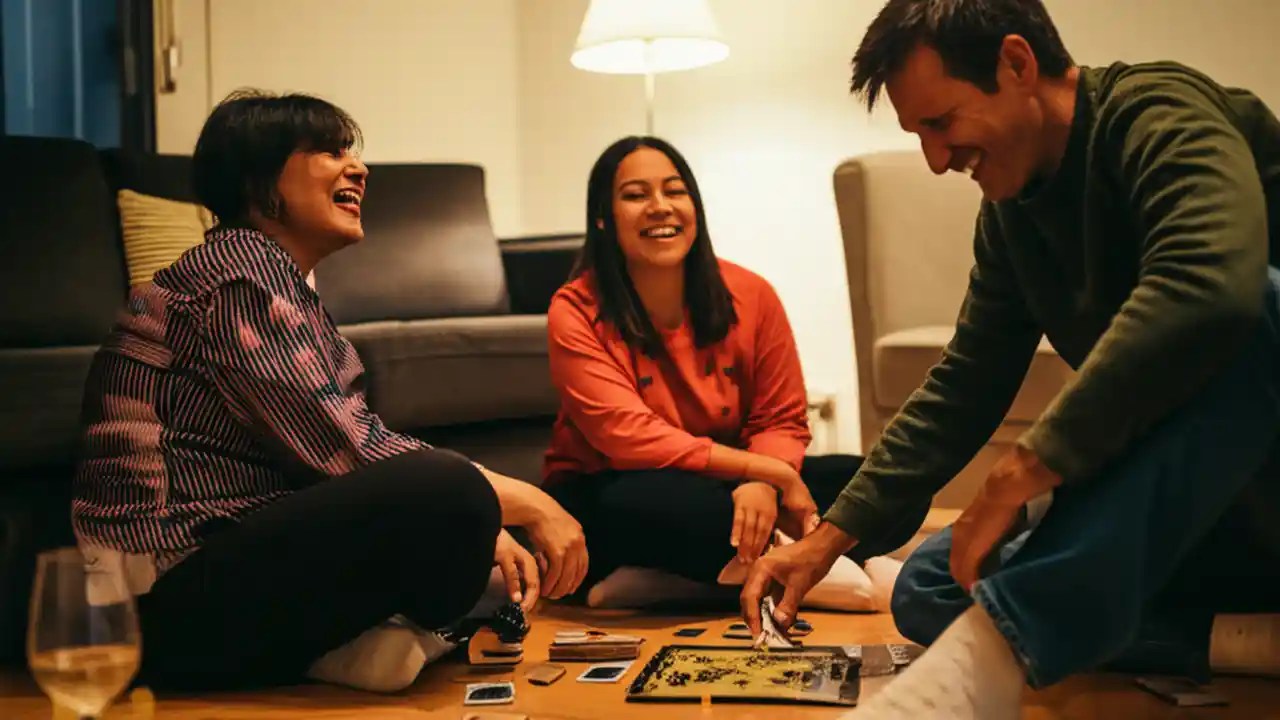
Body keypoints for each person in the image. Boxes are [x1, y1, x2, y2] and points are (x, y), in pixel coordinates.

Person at [740, 1, 1280, 717]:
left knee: (1261, 302)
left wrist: (1025, 468)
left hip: (1258, 477)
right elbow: (967, 380)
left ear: (1017, 65)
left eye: (940, 124)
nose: (935, 160)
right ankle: (1237, 641)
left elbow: (1210, 289)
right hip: (1182, 517)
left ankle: (1002, 646)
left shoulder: (1161, 111)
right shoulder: (1013, 210)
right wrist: (827, 540)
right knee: (930, 583)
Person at [72, 89, 588, 693]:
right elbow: (348, 448)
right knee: (450, 492)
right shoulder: (238, 273)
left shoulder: (277, 280)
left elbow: (326, 470)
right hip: (163, 601)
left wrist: (482, 526)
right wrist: (527, 502)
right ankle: (353, 640)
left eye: (352, 152)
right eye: (326, 150)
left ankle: (344, 646)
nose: (358, 168)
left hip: (214, 572)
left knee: (478, 547)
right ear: (260, 180)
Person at [542, 136, 926, 605]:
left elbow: (780, 419)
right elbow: (627, 436)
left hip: (732, 481)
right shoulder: (575, 309)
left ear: (695, 206)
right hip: (614, 484)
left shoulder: (752, 294)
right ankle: (808, 567)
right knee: (668, 510)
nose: (660, 207)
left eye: (675, 191)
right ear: (603, 217)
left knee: (891, 486)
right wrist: (762, 473)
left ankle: (679, 583)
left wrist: (761, 482)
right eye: (636, 195)